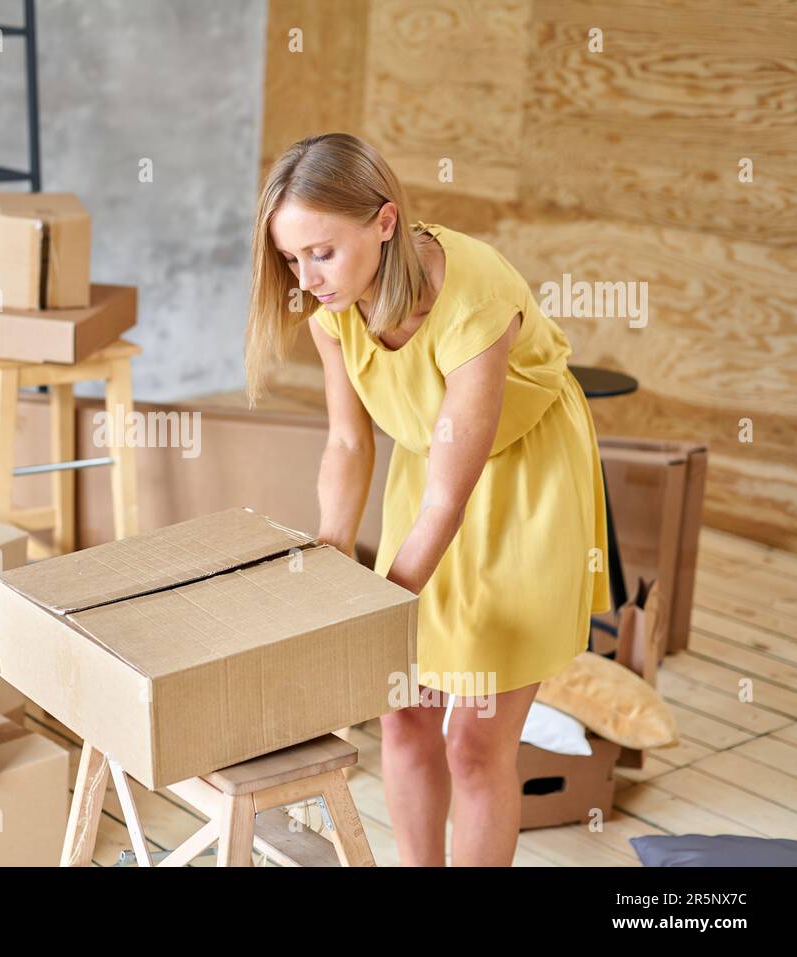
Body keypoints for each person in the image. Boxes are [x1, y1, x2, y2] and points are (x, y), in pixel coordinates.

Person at [244, 132, 611, 866]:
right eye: (291, 258)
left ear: (384, 222)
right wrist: (331, 552)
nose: (306, 276)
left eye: (321, 251)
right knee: (405, 714)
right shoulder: (334, 308)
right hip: (432, 480)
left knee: (475, 742)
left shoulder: (474, 298)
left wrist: (379, 611)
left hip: (524, 492)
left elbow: (453, 491)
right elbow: (349, 445)